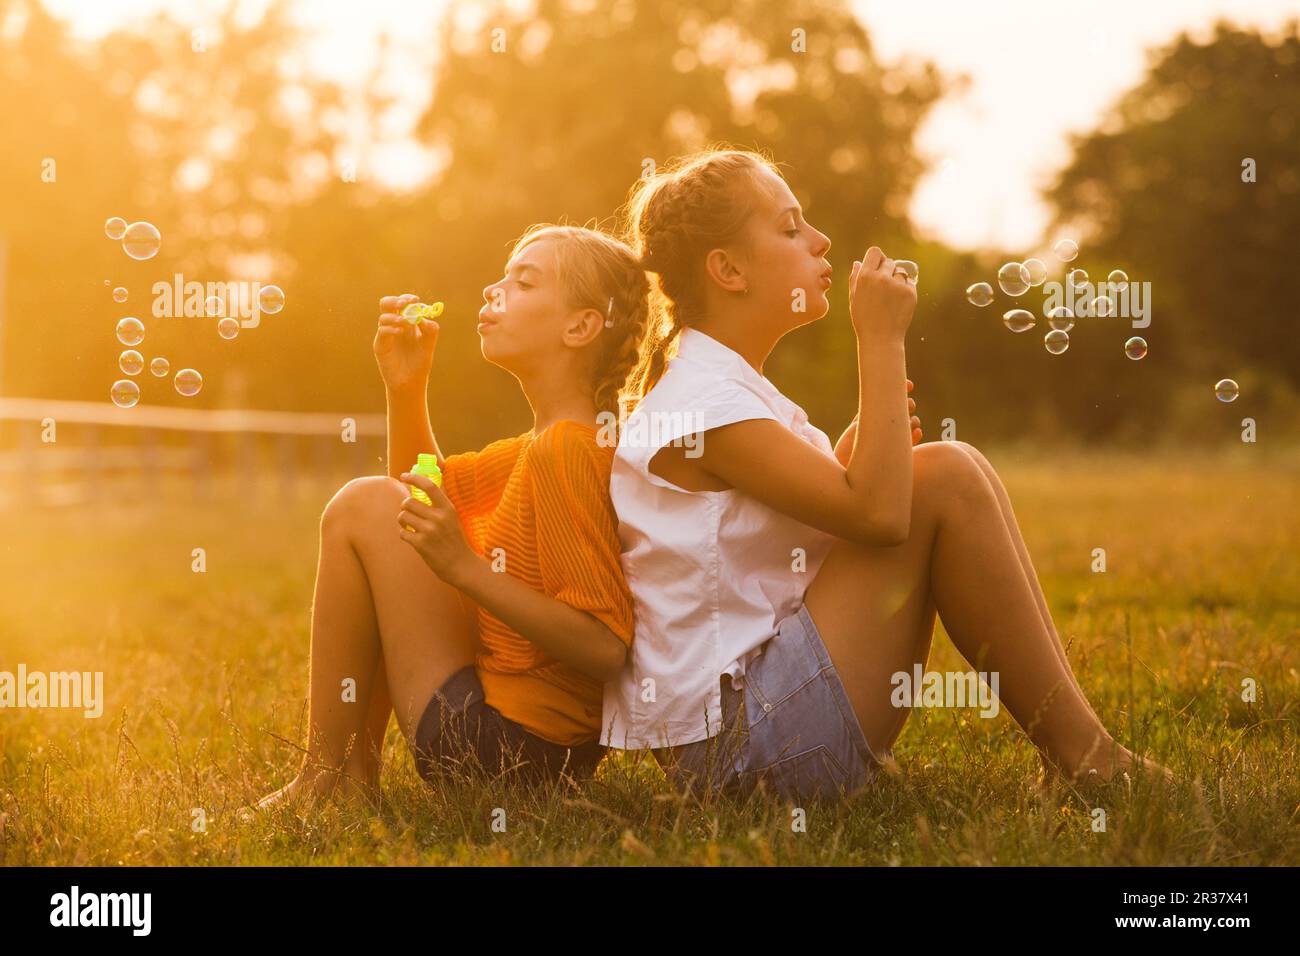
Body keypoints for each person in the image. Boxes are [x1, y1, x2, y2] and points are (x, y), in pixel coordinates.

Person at [603, 148, 1175, 802]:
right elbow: (877, 517)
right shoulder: (702, 400)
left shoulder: (722, 389)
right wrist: (879, 339)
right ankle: (1088, 759)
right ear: (727, 269)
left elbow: (793, 531)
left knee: (957, 471)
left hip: (752, 728)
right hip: (743, 753)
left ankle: (1077, 752)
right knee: (947, 477)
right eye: (790, 229)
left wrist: (847, 462)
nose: (819, 242)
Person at [250, 224, 650, 812]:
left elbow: (603, 647)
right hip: (523, 748)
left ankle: (326, 780)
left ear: (580, 326)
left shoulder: (566, 449)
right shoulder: (541, 445)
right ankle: (349, 777)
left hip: (507, 752)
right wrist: (407, 387)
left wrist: (464, 568)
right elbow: (417, 491)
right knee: (380, 506)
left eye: (524, 281)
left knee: (361, 502)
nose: (495, 289)